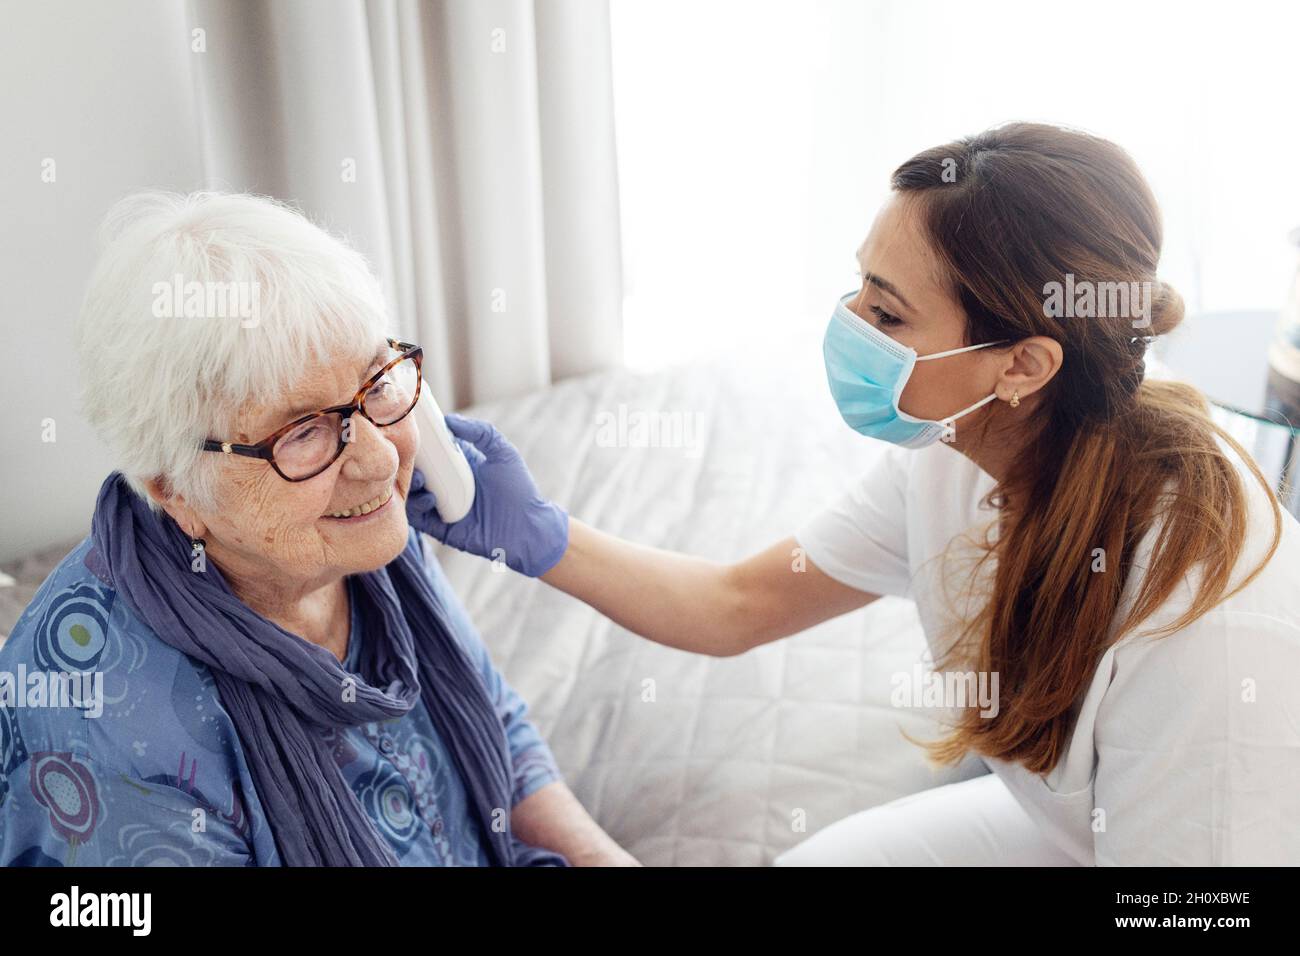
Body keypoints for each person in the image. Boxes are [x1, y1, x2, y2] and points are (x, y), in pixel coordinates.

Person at [409, 122, 1300, 866]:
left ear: (1023, 366)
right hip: (1068, 831)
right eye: (859, 289)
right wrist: (539, 536)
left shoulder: (1205, 625)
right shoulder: (957, 447)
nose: (847, 329)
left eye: (887, 314)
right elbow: (737, 604)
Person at [0, 191, 635, 867]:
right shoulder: (108, 724)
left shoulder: (364, 530)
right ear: (174, 488)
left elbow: (498, 730)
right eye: (302, 431)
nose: (381, 459)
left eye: (374, 383)